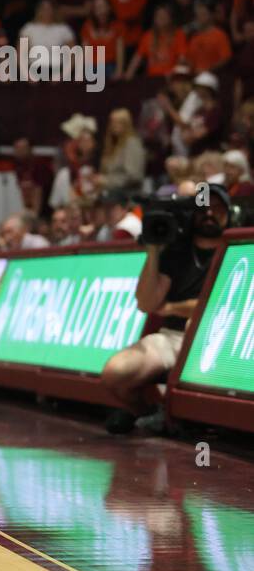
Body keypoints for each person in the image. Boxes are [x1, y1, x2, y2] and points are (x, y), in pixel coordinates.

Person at [101, 186, 232, 435]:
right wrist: (153, 251)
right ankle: (151, 413)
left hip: (220, 340)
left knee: (194, 323)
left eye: (217, 207)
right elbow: (146, 304)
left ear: (229, 213)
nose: (209, 213)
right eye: (202, 207)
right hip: (173, 337)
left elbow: (221, 305)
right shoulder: (176, 251)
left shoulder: (237, 248)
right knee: (115, 373)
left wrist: (172, 307)